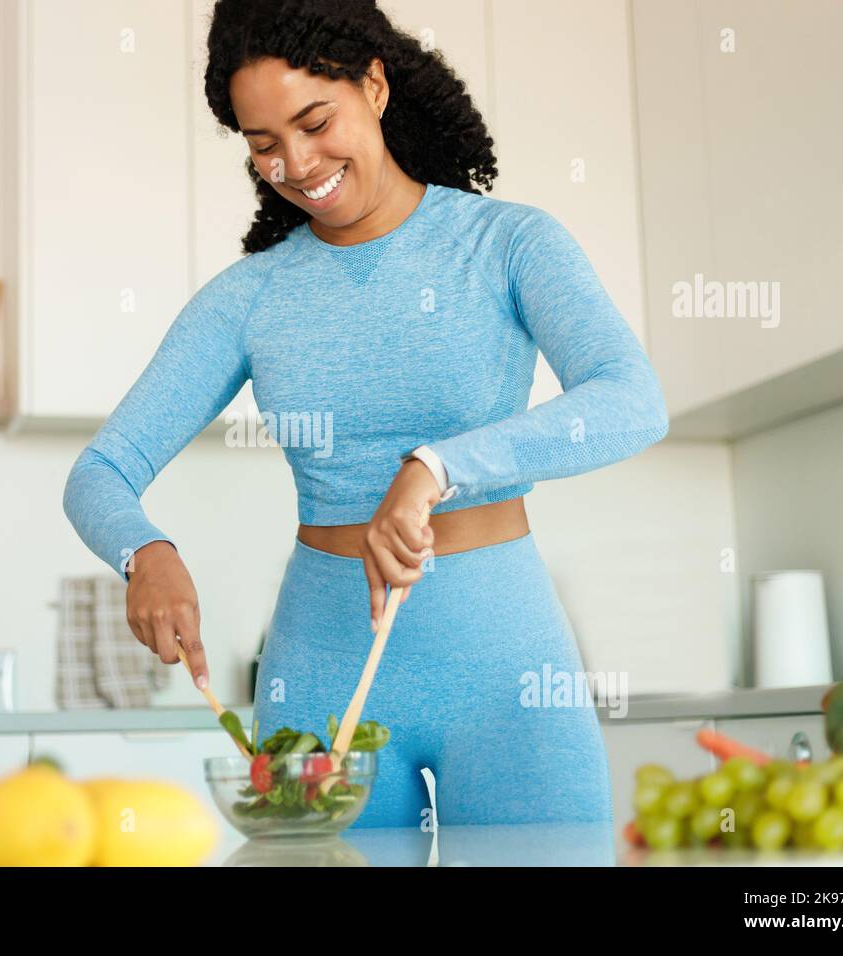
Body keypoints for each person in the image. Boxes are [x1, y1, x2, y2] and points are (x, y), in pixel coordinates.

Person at [64, 0, 668, 829]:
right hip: (318, 667)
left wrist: (436, 466)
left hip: (507, 668)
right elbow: (100, 471)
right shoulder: (251, 297)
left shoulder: (506, 244)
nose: (297, 162)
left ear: (375, 86)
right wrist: (145, 553)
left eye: (315, 122)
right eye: (264, 143)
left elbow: (632, 399)